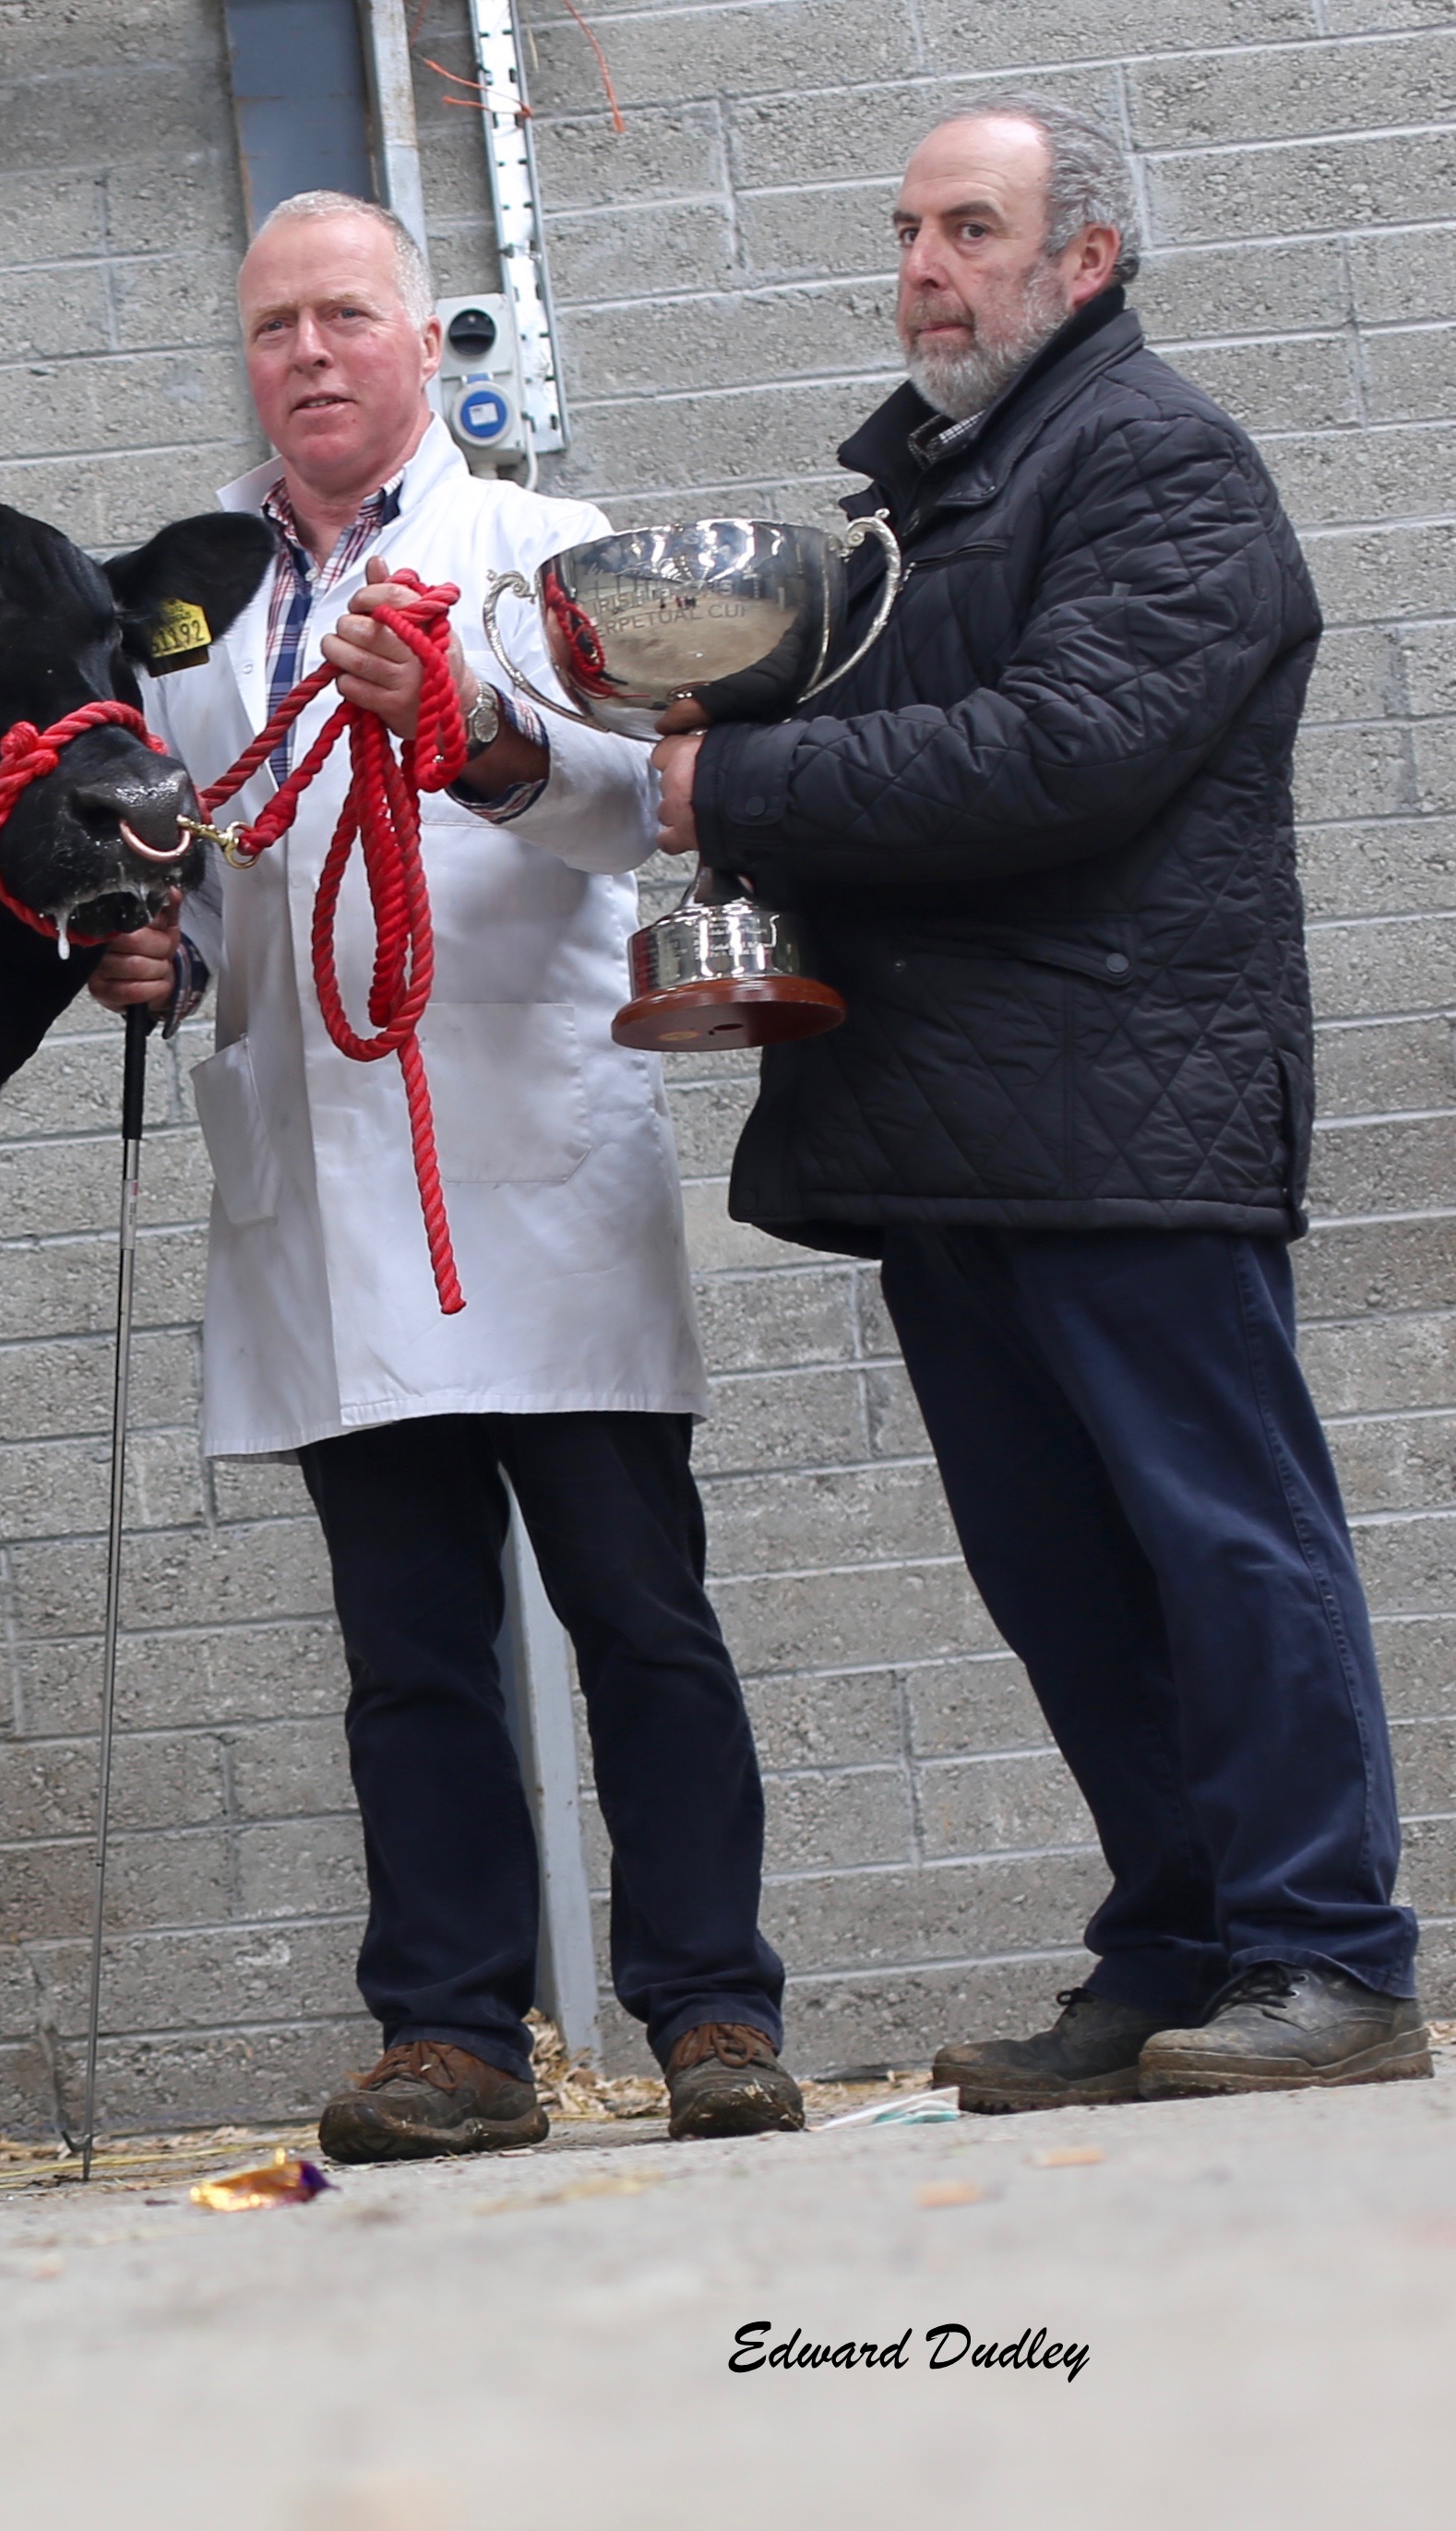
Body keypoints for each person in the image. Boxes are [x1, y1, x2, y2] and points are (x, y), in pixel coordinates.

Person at [653, 98, 1429, 2108]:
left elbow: (1060, 752)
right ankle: (1172, 1949)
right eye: (908, 227)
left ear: (1079, 261)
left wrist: (726, 792)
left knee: (1222, 1543)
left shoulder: (1155, 462)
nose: (922, 265)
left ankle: (1326, 1954)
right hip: (949, 1123)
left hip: (1123, 1106)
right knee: (1061, 1577)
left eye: (969, 229)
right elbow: (906, 755)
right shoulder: (933, 498)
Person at [88, 192, 800, 2160]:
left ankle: (712, 2011)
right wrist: (143, 955)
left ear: (419, 339)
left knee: (637, 1620)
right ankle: (450, 2032)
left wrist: (478, 741)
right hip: (320, 1188)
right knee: (403, 1651)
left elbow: (627, 827)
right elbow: (211, 862)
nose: (304, 354)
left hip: (529, 1158)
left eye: (339, 316)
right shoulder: (190, 606)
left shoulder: (543, 554)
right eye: (268, 329)